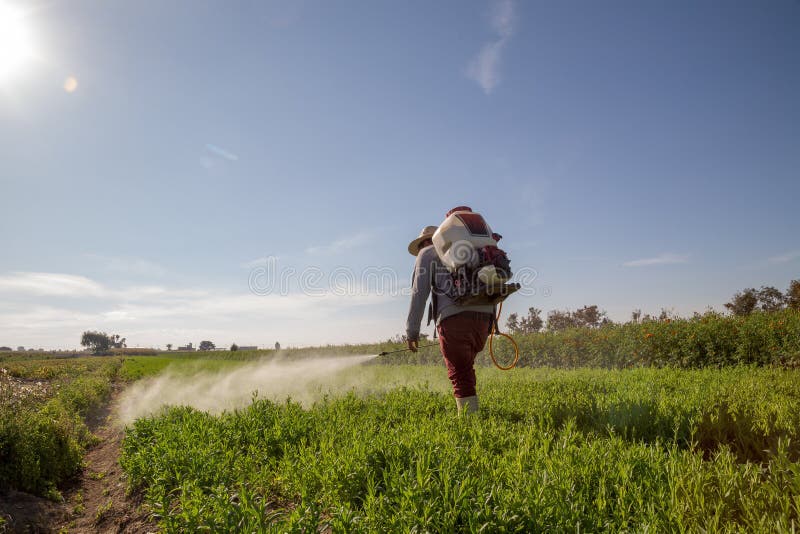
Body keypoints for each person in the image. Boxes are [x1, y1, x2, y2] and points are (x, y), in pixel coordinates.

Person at [405, 210, 495, 415]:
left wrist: (412, 332)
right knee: (465, 368)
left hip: (453, 320)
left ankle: (470, 423)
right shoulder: (473, 249)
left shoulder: (426, 253)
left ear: (426, 242)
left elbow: (419, 294)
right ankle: (472, 413)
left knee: (460, 372)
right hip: (483, 320)